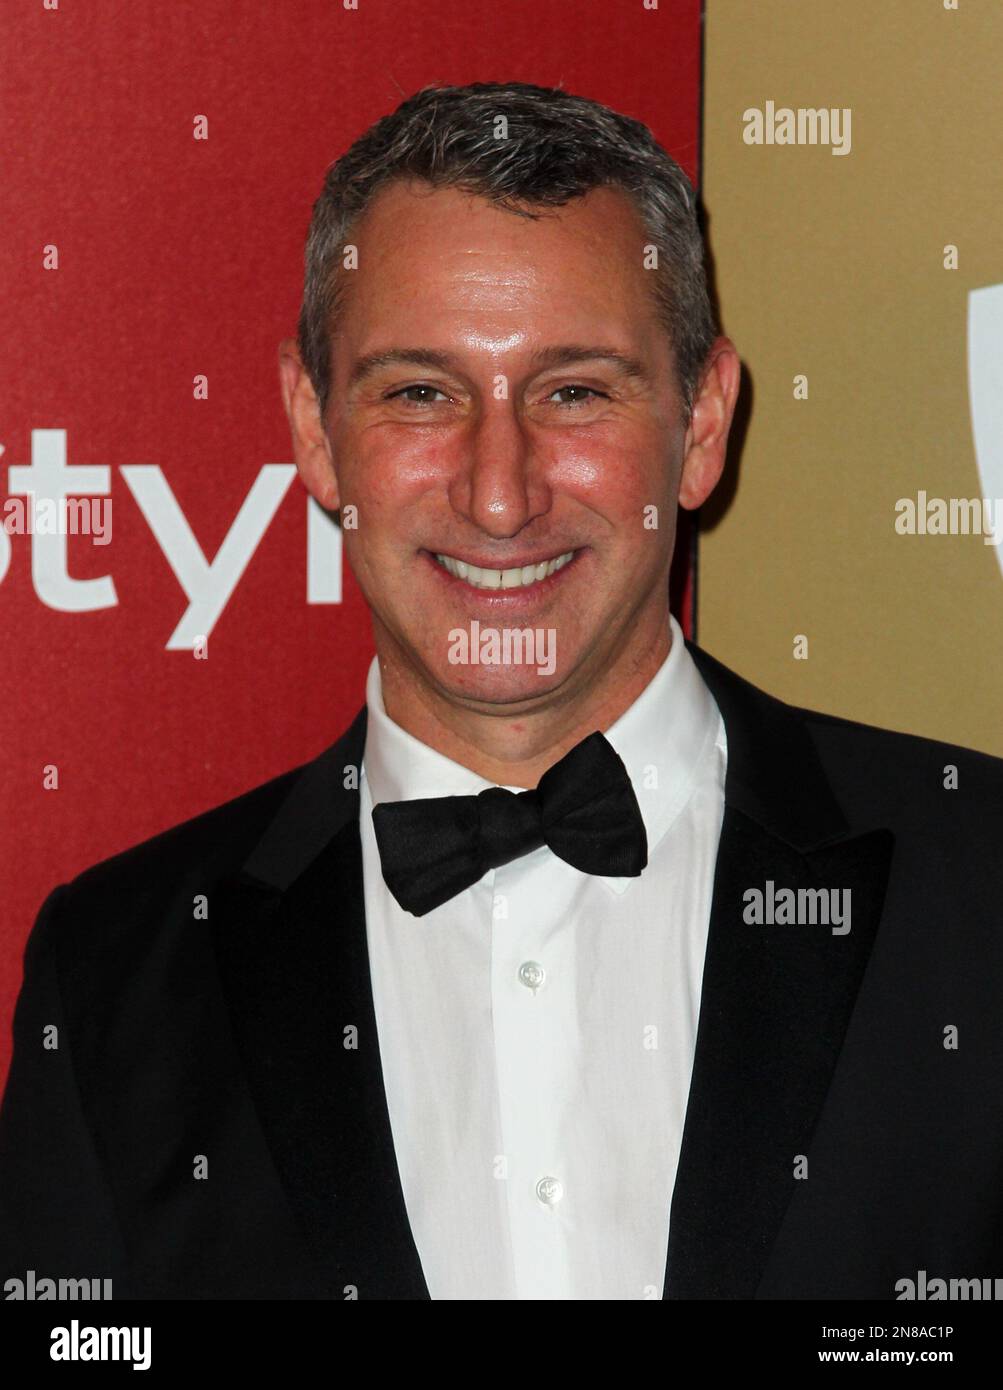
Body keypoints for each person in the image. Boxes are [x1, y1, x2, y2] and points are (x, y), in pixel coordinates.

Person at [2, 81, 1002, 1302]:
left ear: (699, 423)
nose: (496, 491)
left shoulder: (980, 887)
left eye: (574, 389)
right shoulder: (116, 974)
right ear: (314, 428)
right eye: (419, 392)